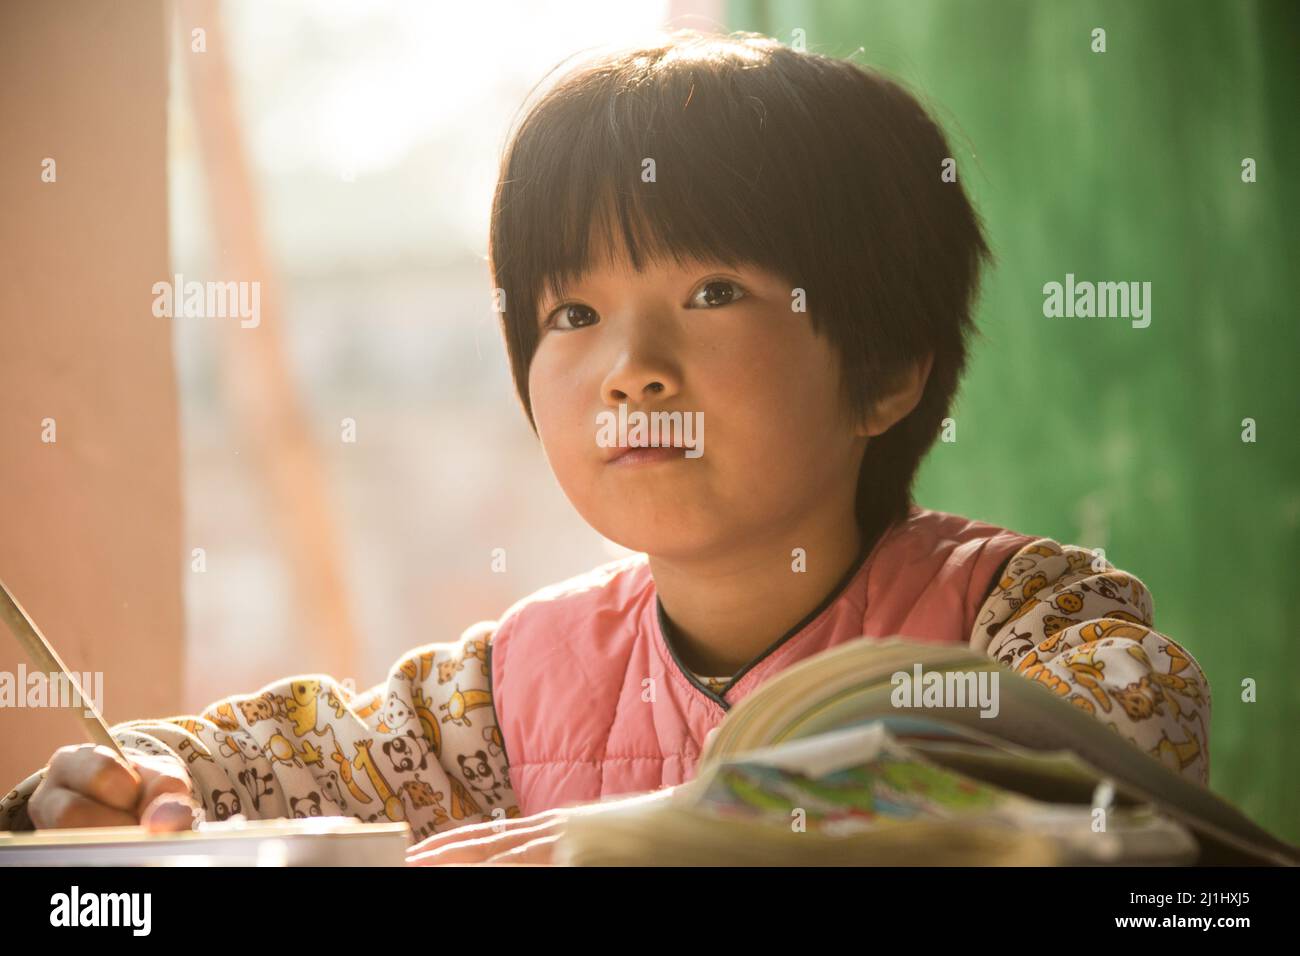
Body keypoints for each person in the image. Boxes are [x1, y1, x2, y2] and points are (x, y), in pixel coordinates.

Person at [0, 30, 1210, 865]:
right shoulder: (503, 691)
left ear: (885, 370)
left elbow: (1135, 728)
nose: (629, 363)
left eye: (716, 290)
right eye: (570, 314)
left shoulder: (1017, 614)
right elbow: (274, 766)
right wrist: (131, 780)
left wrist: (683, 828)